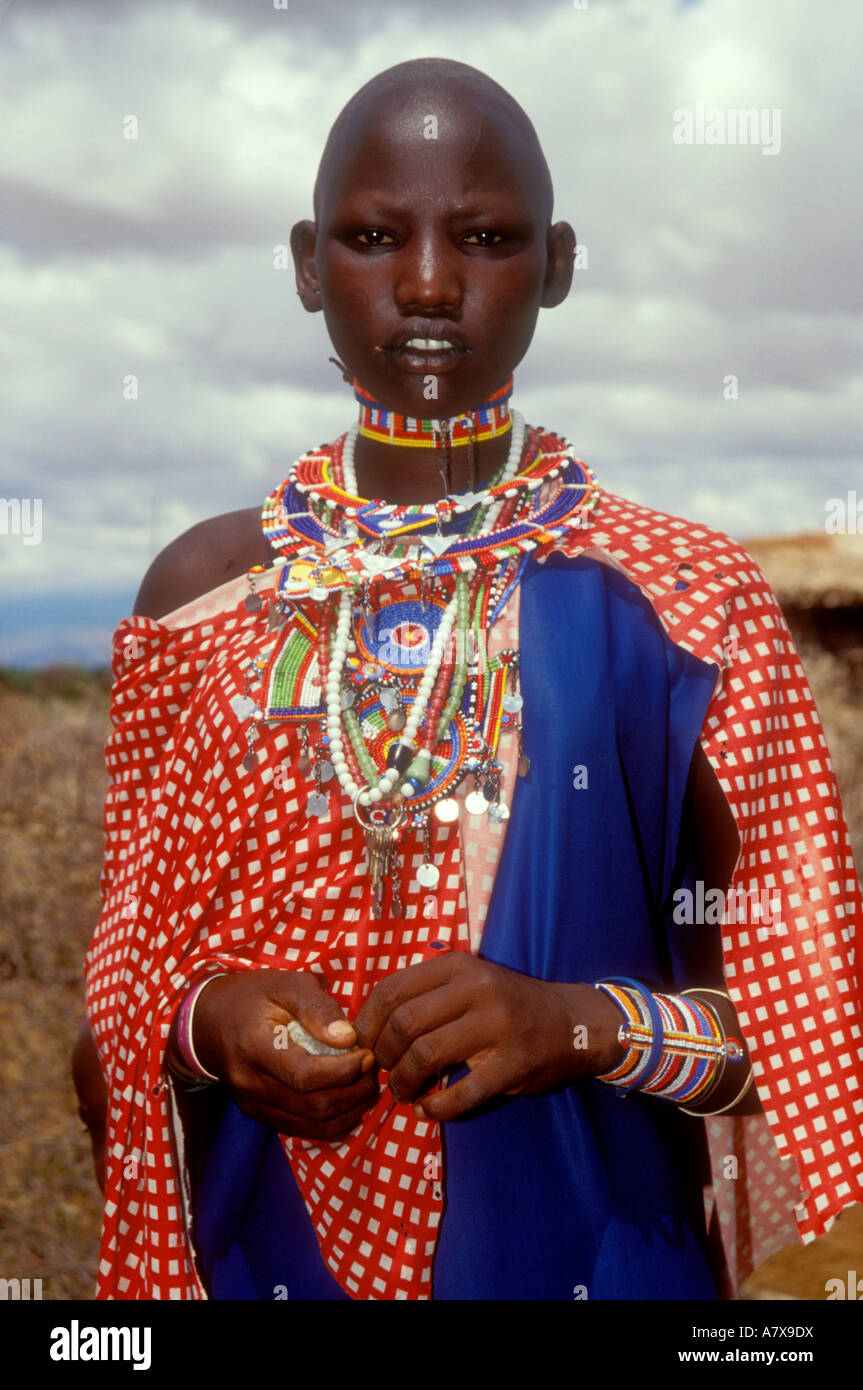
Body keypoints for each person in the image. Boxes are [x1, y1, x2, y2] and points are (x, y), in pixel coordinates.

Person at [74, 58, 863, 1301]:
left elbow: (799, 1031)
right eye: (374, 236)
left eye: (485, 238)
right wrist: (210, 1027)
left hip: (593, 1256)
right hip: (260, 1257)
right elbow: (104, 1049)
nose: (429, 281)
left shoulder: (681, 600)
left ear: (554, 264)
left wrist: (576, 1026)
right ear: (302, 263)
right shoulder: (201, 599)